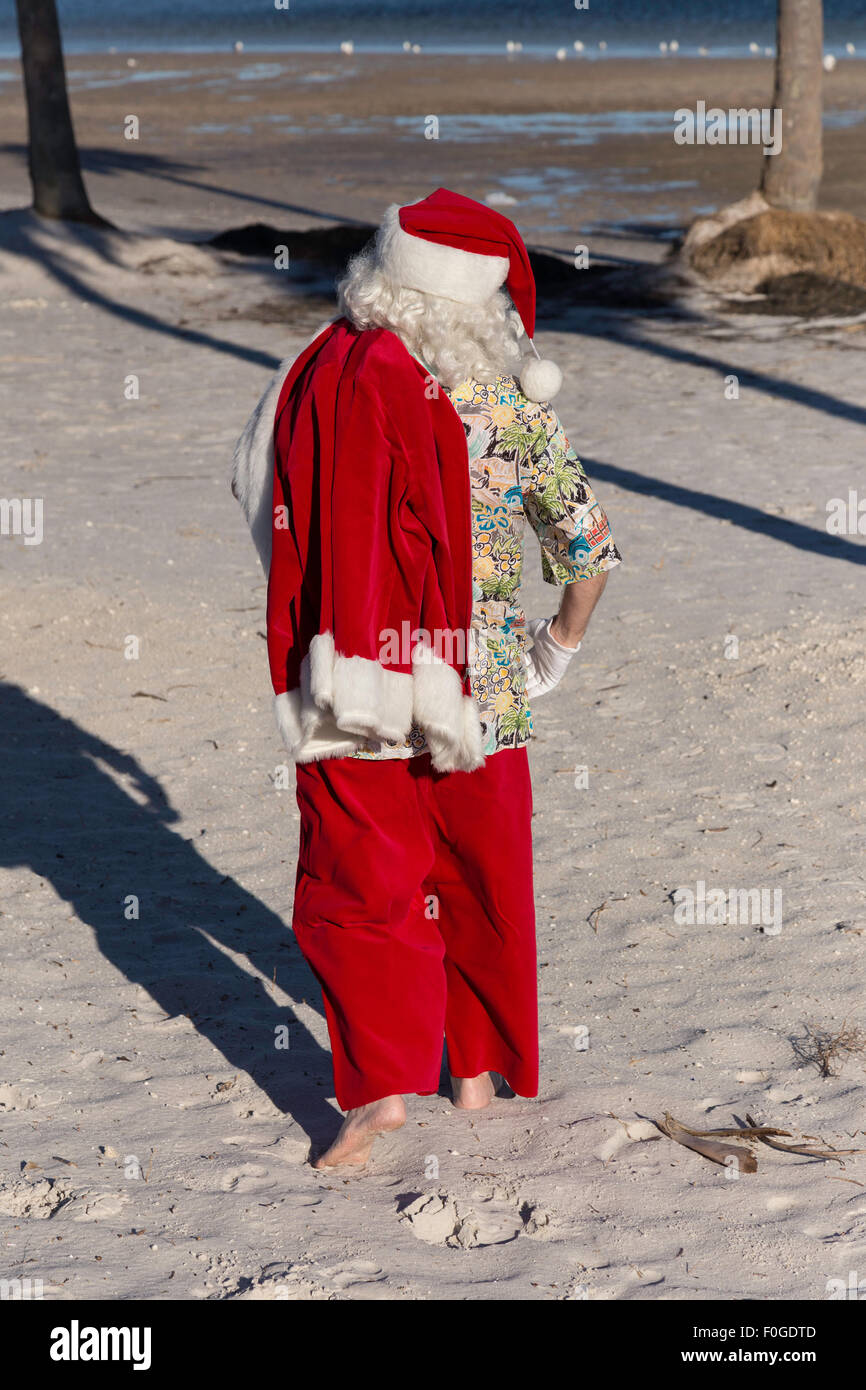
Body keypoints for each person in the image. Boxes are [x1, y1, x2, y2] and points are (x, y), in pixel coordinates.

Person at [232, 188, 621, 1167]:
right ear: (483, 306)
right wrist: (553, 653)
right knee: (478, 881)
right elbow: (586, 550)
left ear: (383, 283)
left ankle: (376, 1094)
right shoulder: (511, 410)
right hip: (478, 686)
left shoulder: (324, 379)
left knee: (359, 885)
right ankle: (475, 1075)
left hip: (352, 673)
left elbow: (264, 504)